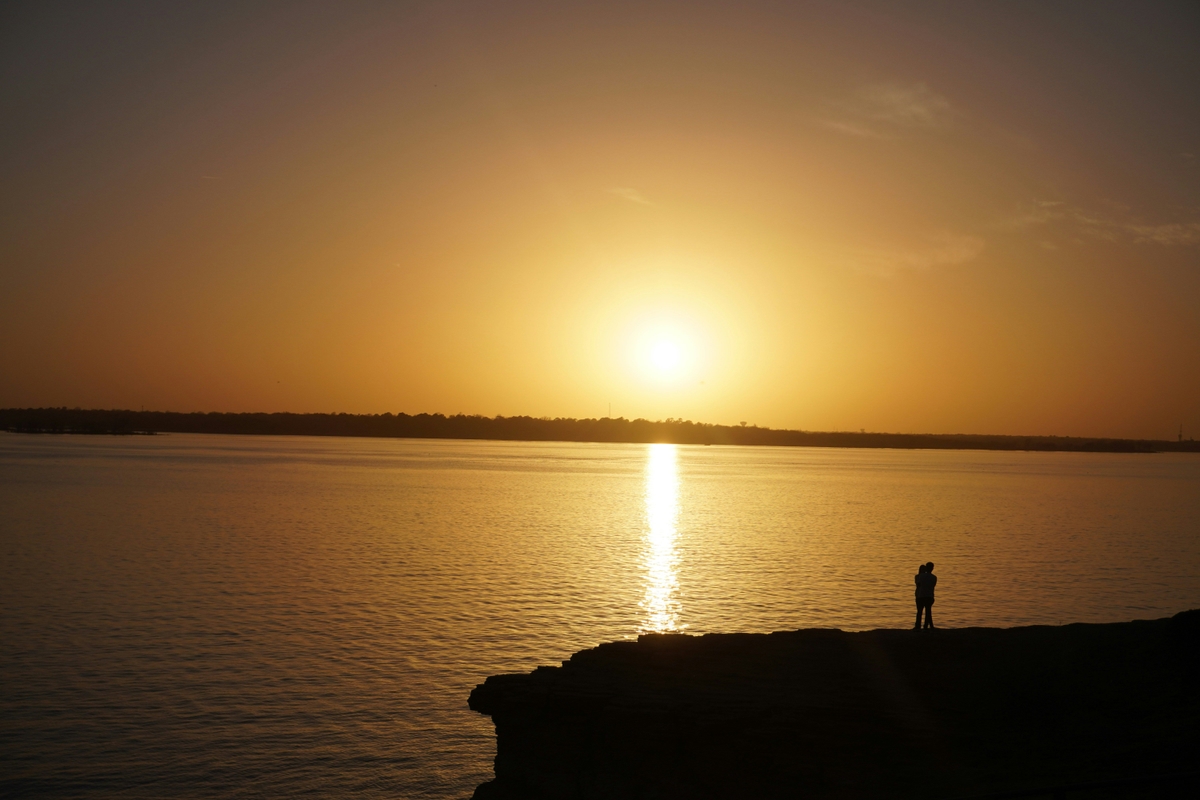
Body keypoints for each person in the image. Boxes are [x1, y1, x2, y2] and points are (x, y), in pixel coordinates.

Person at [914, 561, 937, 629]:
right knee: (928, 611)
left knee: (919, 612)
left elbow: (918, 584)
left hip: (921, 595)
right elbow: (933, 585)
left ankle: (918, 626)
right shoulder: (934, 577)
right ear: (932, 568)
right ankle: (926, 626)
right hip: (929, 595)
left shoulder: (920, 576)